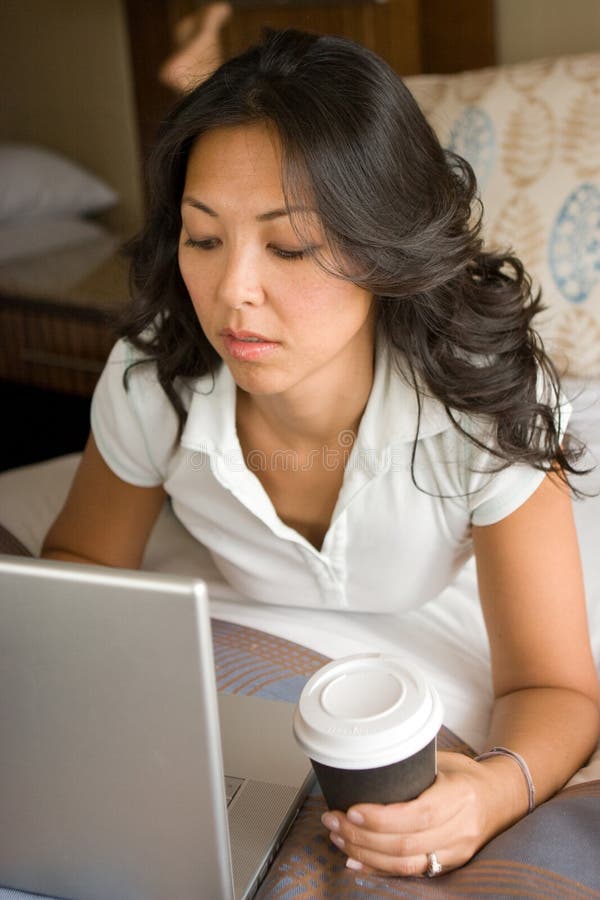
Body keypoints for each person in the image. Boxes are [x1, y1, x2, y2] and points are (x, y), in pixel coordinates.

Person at [41, 29, 599, 879]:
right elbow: (78, 573)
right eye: (203, 238)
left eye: (290, 247)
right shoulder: (155, 379)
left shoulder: (485, 407)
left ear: (383, 243)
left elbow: (552, 687)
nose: (233, 292)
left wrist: (493, 791)